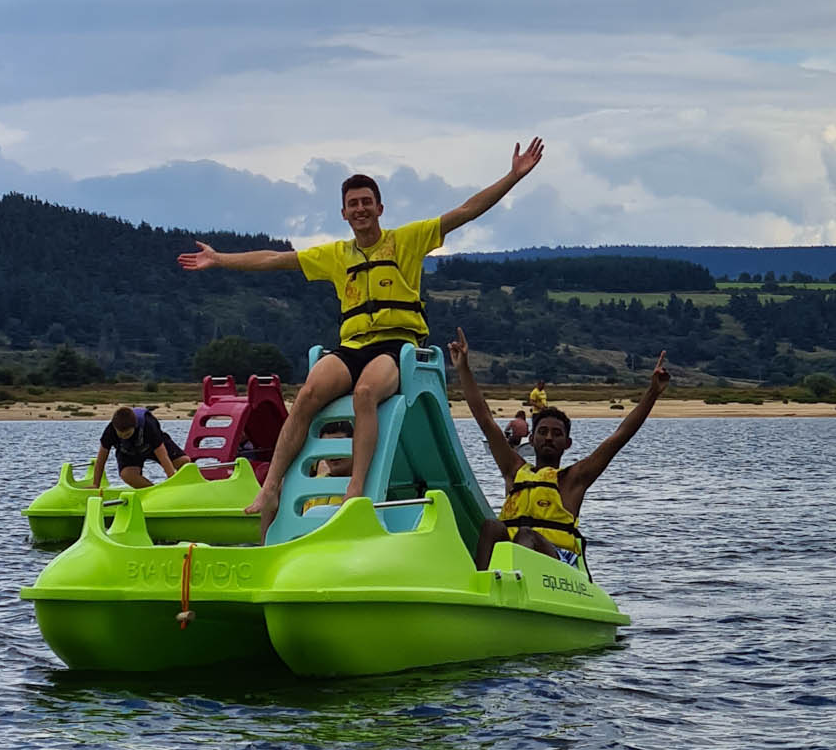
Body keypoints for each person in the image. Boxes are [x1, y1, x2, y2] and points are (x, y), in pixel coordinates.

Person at [178, 139, 545, 533]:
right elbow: (273, 259)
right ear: (344, 213)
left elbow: (466, 211)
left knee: (365, 394)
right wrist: (219, 260)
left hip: (398, 345)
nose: (360, 209)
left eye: (366, 201)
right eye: (353, 204)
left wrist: (512, 177)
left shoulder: (407, 239)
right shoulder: (336, 255)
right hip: (352, 347)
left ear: (379, 208)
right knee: (306, 396)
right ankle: (270, 488)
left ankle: (355, 490)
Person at [450, 328, 670, 571]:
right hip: (514, 562)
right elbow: (486, 421)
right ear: (532, 439)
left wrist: (652, 393)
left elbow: (619, 437)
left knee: (526, 535)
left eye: (557, 434)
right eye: (543, 432)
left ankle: (515, 590)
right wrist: (463, 369)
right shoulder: (514, 471)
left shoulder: (574, 479)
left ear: (567, 444)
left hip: (559, 566)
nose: (549, 438)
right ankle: (484, 589)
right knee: (492, 527)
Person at [90, 404, 182, 490]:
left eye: (127, 434)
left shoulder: (148, 426)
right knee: (127, 475)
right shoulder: (109, 432)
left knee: (184, 461)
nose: (124, 436)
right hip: (129, 451)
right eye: (120, 434)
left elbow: (163, 456)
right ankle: (153, 491)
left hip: (152, 446)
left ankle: (187, 485)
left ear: (135, 426)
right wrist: (96, 485)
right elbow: (101, 460)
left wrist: (172, 481)